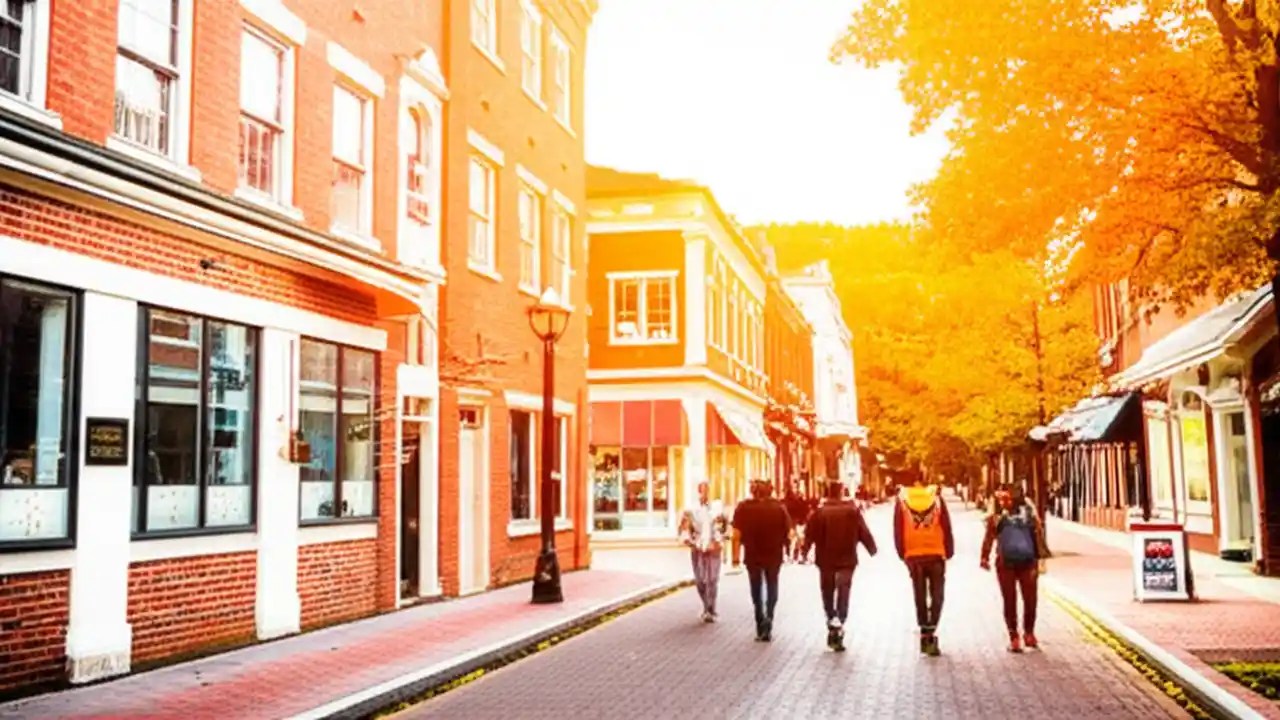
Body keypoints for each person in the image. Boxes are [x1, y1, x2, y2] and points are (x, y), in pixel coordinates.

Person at [804, 481, 877, 651]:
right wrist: (871, 548)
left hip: (825, 559)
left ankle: (831, 618)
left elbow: (810, 534)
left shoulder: (819, 513)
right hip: (847, 558)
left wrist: (804, 551)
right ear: (841, 493)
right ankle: (840, 620)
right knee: (844, 589)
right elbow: (863, 531)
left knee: (827, 590)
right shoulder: (852, 511)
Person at [980, 483, 1049, 652]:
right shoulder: (1029, 512)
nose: (1002, 501)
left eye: (1004, 498)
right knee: (1030, 599)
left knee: (1009, 600)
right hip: (1028, 562)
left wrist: (984, 557)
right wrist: (1040, 560)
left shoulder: (997, 515)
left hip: (1005, 563)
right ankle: (1029, 634)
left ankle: (1014, 638)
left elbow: (989, 536)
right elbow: (1038, 537)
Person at [893, 480, 954, 656]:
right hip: (936, 553)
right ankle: (931, 626)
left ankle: (924, 628)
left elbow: (897, 528)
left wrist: (902, 552)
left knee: (919, 593)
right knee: (937, 594)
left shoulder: (902, 500)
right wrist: (949, 550)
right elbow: (946, 525)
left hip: (913, 555)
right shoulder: (937, 499)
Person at [733, 480, 793, 641]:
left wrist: (735, 557)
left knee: (756, 587)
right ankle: (769, 617)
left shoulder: (743, 508)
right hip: (774, 554)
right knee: (772, 584)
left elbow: (736, 535)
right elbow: (789, 533)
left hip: (752, 554)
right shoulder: (779, 508)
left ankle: (760, 620)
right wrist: (788, 549)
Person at [678, 481, 729, 622]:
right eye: (702, 491)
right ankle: (706, 604)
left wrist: (720, 538)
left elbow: (725, 526)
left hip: (714, 547)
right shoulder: (691, 509)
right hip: (698, 548)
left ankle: (710, 608)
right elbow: (684, 527)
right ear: (698, 492)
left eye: (707, 490)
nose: (704, 494)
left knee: (712, 579)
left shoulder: (717, 508)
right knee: (700, 579)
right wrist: (688, 540)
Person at [784, 483, 810, 564]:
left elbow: (804, 509)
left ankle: (795, 554)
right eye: (794, 488)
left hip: (798, 521)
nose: (796, 490)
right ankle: (794, 555)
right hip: (794, 521)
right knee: (796, 539)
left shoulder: (798, 499)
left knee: (797, 539)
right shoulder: (791, 500)